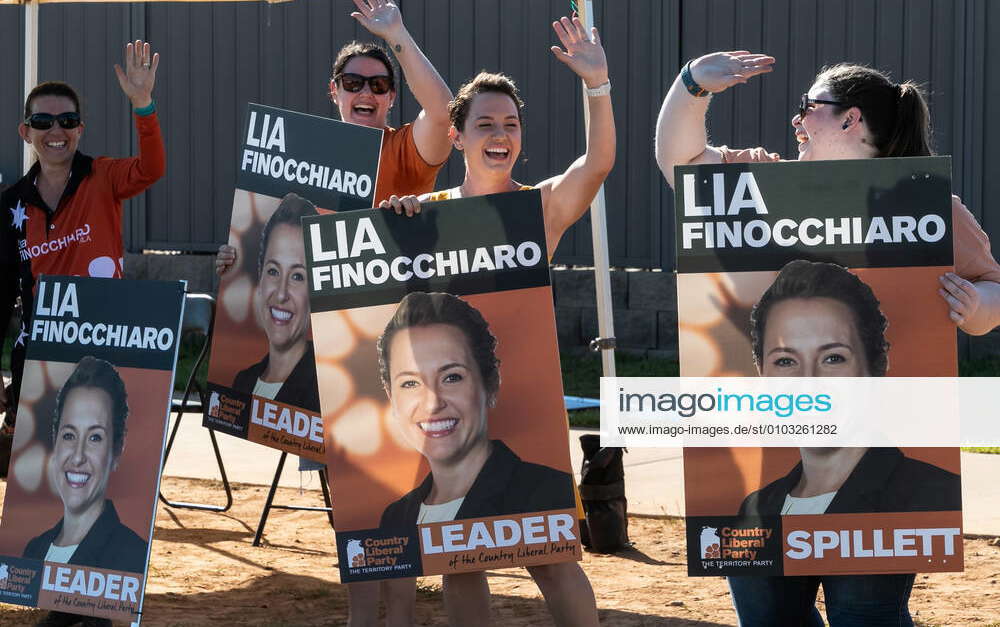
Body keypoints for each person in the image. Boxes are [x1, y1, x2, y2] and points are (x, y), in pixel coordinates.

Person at [654, 57, 1000, 626]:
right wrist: (691, 83)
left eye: (807, 108)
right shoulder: (763, 184)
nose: (795, 121)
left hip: (881, 498)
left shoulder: (926, 204)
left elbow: (992, 290)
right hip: (761, 468)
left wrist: (980, 307)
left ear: (850, 119)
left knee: (867, 617)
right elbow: (682, 164)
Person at [213, 3, 453, 624]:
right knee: (352, 501)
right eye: (354, 83)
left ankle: (394, 616)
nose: (366, 93)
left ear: (391, 98)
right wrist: (235, 259)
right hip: (324, 362)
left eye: (379, 85)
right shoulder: (305, 164)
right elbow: (271, 251)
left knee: (396, 493)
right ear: (334, 93)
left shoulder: (406, 150)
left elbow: (444, 112)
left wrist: (395, 37)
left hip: (397, 351)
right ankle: (360, 615)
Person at [379, 14, 613, 627]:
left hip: (524, 408)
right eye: (484, 123)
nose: (499, 134)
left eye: (510, 124)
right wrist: (396, 213)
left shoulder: (538, 207)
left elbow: (597, 164)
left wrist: (598, 85)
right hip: (449, 409)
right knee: (462, 560)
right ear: (456, 137)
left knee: (554, 561)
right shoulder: (423, 211)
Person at [0, 41, 165, 456]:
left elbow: (152, 168)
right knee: (37, 471)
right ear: (25, 132)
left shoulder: (104, 176)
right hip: (39, 349)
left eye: (67, 120)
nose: (56, 131)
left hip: (105, 341)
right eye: (43, 121)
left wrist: (143, 105)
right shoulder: (11, 203)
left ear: (80, 129)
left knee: (103, 459)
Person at [739, 260, 960, 521]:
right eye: (785, 361)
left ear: (876, 364)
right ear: (761, 370)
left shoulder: (934, 497)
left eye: (833, 358)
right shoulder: (756, 508)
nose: (808, 384)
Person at [377, 292, 575, 529]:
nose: (432, 403)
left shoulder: (545, 495)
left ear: (490, 384)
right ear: (392, 397)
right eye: (410, 383)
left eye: (452, 377)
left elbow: (560, 568)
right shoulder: (395, 517)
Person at [23, 356, 146, 627]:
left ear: (116, 450)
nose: (77, 457)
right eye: (69, 435)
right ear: (55, 441)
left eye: (95, 437)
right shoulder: (33, 550)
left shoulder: (130, 554)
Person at [231, 193, 319, 411]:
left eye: (298, 276)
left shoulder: (322, 393)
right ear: (260, 277)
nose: (281, 294)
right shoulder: (242, 381)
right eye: (273, 271)